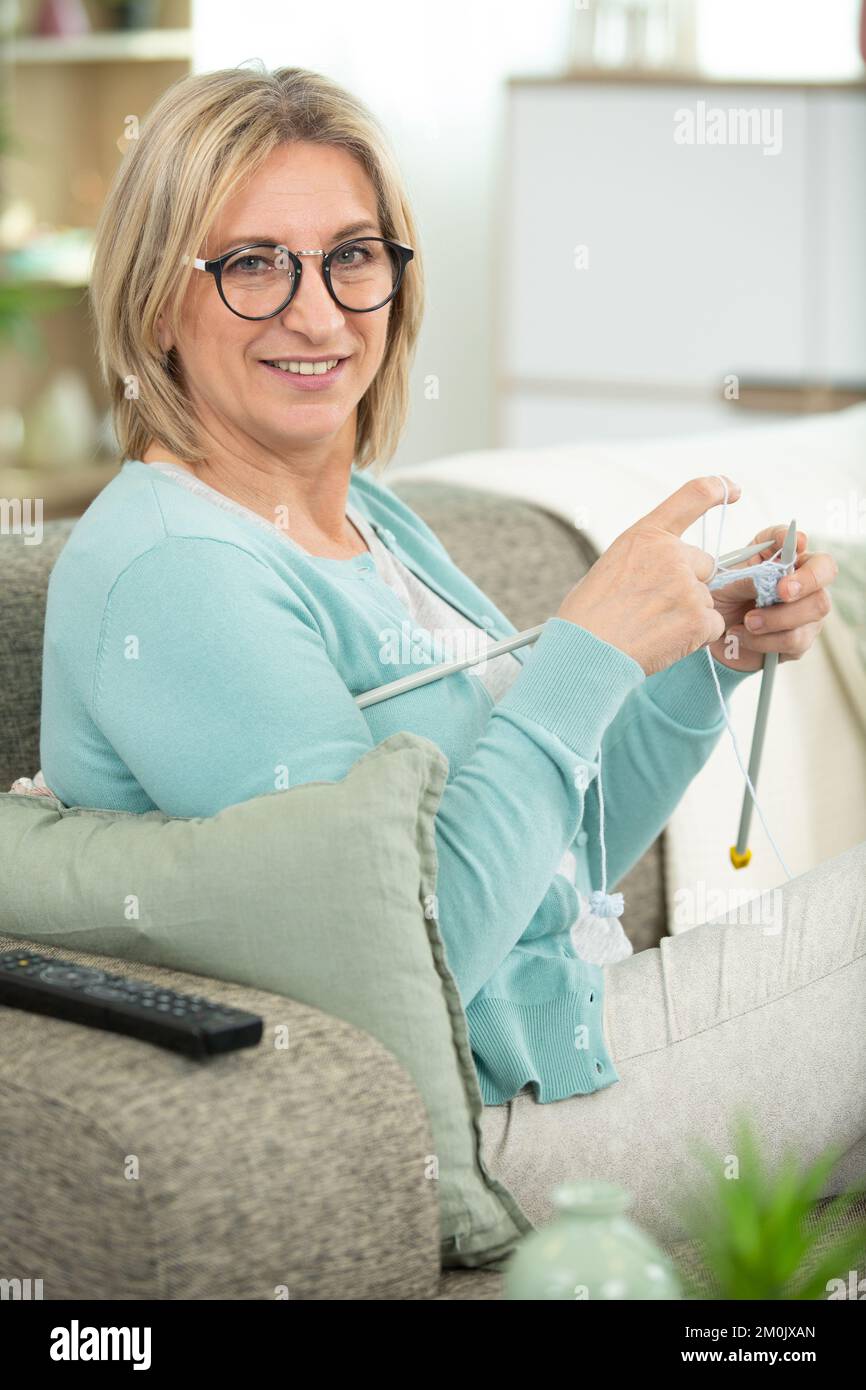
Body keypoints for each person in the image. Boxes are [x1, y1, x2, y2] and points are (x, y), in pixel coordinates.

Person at [38, 65, 862, 1244]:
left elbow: (551, 871)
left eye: (352, 256)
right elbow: (402, 962)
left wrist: (695, 661)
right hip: (479, 1126)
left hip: (557, 1040)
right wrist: (583, 650)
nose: (316, 313)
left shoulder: (370, 520)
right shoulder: (179, 570)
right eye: (252, 262)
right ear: (159, 300)